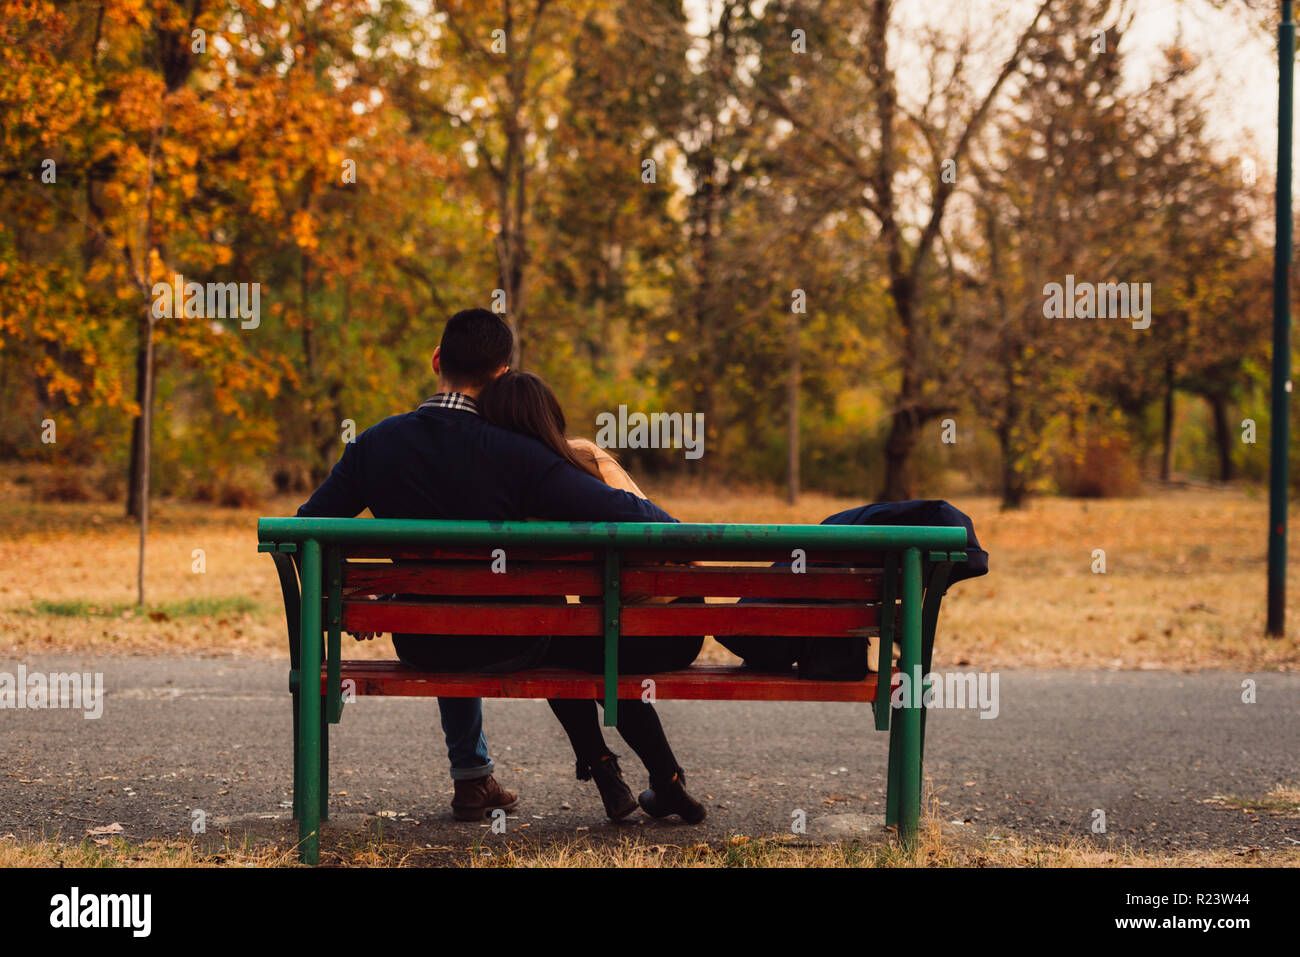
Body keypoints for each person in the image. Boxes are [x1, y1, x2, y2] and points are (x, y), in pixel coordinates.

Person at [295, 309, 676, 822]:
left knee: (448, 611)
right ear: (502, 375)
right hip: (517, 640)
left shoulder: (375, 444)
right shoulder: (521, 454)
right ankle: (639, 772)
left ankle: (472, 778)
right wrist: (678, 527)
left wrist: (354, 600)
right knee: (515, 614)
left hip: (422, 641)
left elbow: (306, 530)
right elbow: (627, 514)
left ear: (436, 360)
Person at [477, 371, 706, 824]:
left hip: (632, 634)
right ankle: (667, 782)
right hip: (682, 624)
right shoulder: (585, 454)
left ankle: (608, 770)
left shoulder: (519, 485)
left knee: (551, 646)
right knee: (588, 647)